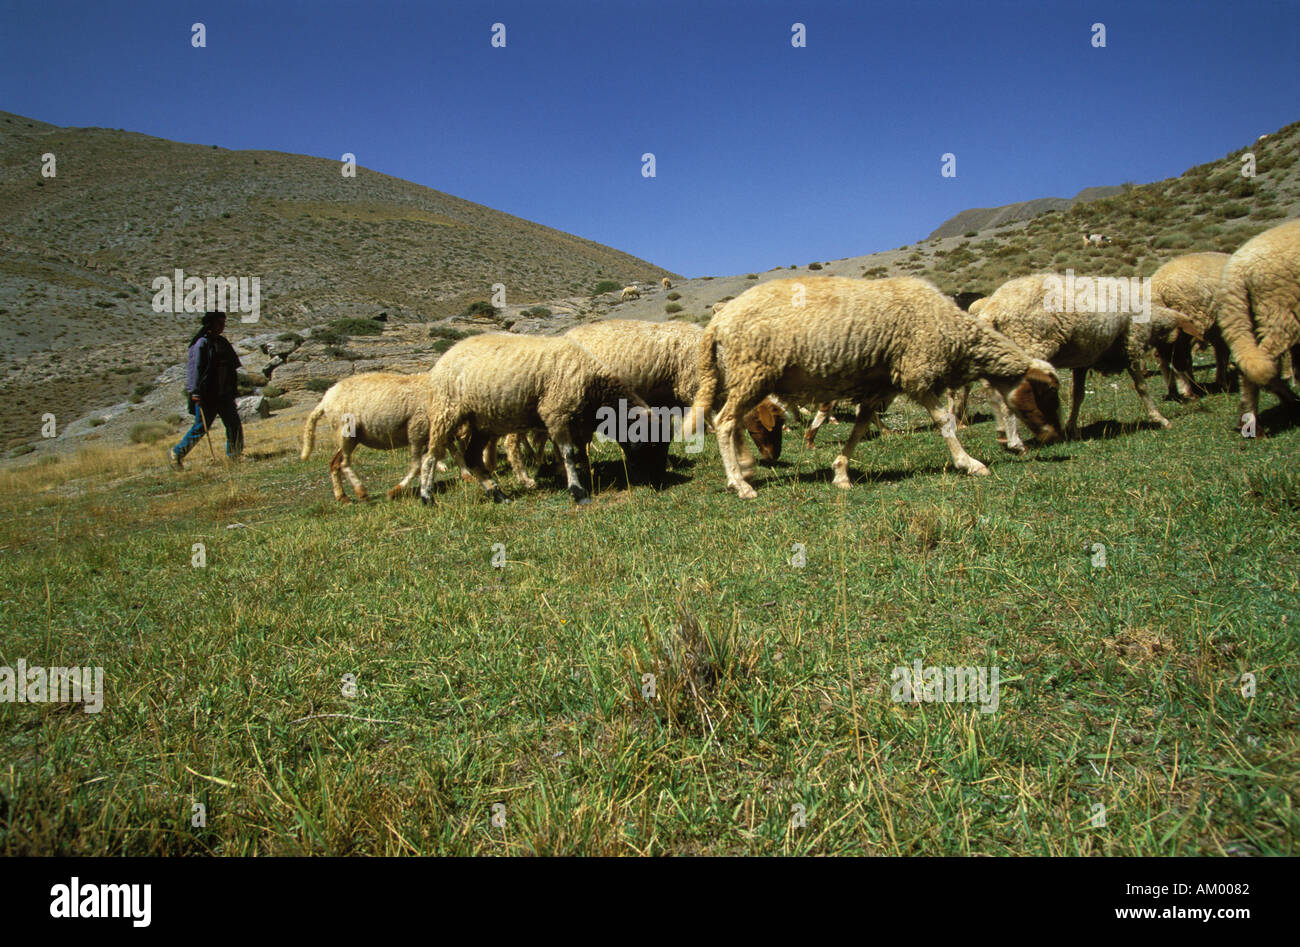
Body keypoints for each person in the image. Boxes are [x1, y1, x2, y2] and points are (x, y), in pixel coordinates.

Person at [169, 310, 244, 468]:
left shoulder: (222, 342)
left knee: (234, 424)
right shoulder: (201, 343)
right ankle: (177, 453)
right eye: (219, 323)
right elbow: (195, 370)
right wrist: (195, 392)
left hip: (224, 394)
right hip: (207, 395)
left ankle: (235, 456)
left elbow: (232, 366)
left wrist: (232, 389)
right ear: (210, 324)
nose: (222, 326)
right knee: (201, 427)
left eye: (224, 323)